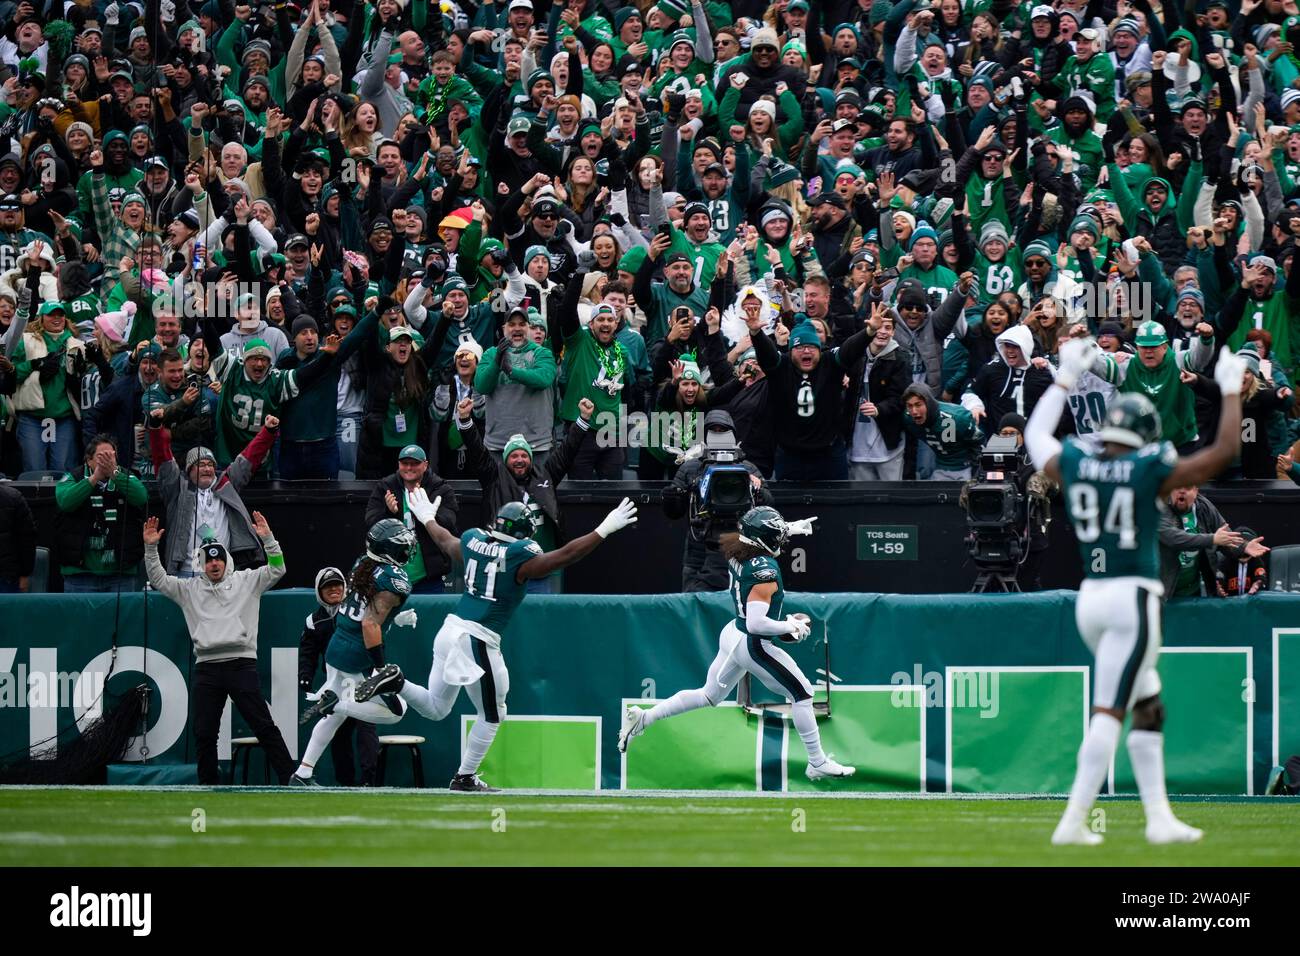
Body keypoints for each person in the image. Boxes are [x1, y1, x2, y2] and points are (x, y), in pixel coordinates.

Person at [1025, 337, 1246, 845]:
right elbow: (1225, 451)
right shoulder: (1148, 469)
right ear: (1146, 435)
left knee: (1149, 705)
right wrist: (1230, 390)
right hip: (1133, 599)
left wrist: (1063, 378)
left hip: (1091, 598)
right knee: (1110, 710)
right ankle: (1072, 821)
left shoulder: (1077, 461)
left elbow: (1036, 434)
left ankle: (1159, 818)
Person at [350, 489, 640, 792]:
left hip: (450, 630)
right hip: (477, 639)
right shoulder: (520, 557)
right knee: (493, 713)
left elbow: (446, 542)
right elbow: (564, 556)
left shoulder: (475, 540)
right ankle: (464, 777)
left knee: (436, 708)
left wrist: (427, 519)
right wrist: (602, 530)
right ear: (524, 532)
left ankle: (396, 682)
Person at [617, 506, 855, 782]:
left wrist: (790, 526)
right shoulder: (765, 572)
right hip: (754, 643)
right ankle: (817, 761)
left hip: (733, 633)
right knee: (802, 694)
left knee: (708, 695)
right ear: (762, 539)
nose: (782, 540)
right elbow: (757, 623)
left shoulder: (737, 546)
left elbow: (758, 536)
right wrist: (789, 626)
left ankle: (644, 718)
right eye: (777, 535)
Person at [143, 512, 297, 786]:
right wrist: (151, 547)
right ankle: (208, 786)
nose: (215, 564)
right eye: (209, 559)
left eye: (219, 559)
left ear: (227, 561)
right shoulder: (189, 589)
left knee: (264, 727)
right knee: (204, 733)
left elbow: (278, 568)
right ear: (202, 563)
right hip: (207, 668)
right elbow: (159, 579)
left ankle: (291, 779)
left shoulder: (247, 581)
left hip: (241, 664)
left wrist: (268, 539)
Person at [291, 525, 421, 786]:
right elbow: (370, 624)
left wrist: (395, 619)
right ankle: (336, 702)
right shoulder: (393, 579)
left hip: (338, 647)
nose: (408, 549)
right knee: (397, 711)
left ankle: (302, 773)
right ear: (390, 549)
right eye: (403, 544)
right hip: (356, 656)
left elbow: (367, 613)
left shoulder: (364, 562)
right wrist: (380, 668)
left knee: (335, 718)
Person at [147, 415, 278, 577]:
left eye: (210, 465)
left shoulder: (226, 483)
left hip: (225, 573)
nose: (208, 469)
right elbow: (163, 460)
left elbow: (249, 458)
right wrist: (156, 428)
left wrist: (268, 432)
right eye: (201, 465)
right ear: (189, 470)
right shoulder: (178, 489)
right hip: (188, 573)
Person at [298, 567, 380, 786]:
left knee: (366, 727)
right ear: (319, 590)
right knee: (337, 731)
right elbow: (308, 653)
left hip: (364, 680)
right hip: (337, 684)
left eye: (338, 584)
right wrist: (305, 676)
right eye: (328, 586)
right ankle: (345, 782)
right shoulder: (314, 621)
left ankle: (368, 781)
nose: (334, 589)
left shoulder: (357, 611)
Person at [54, 434, 147, 593]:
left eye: (110, 456)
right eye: (101, 457)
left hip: (120, 574)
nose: (107, 461)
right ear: (88, 460)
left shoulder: (126, 475)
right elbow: (65, 502)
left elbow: (141, 497)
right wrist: (94, 478)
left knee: (122, 618)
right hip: (80, 574)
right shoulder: (73, 477)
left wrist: (115, 474)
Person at [362, 444, 460, 594]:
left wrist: (428, 516)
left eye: (415, 463)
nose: (409, 468)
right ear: (398, 464)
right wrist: (389, 513)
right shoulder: (386, 486)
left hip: (427, 578)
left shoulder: (440, 488)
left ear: (425, 465)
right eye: (405, 463)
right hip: (391, 575)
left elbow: (450, 523)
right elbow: (370, 522)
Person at [0, 479, 36, 592]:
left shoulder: (13, 498)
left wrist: (25, 574)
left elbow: (27, 540)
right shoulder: (13, 497)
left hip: (6, 577)